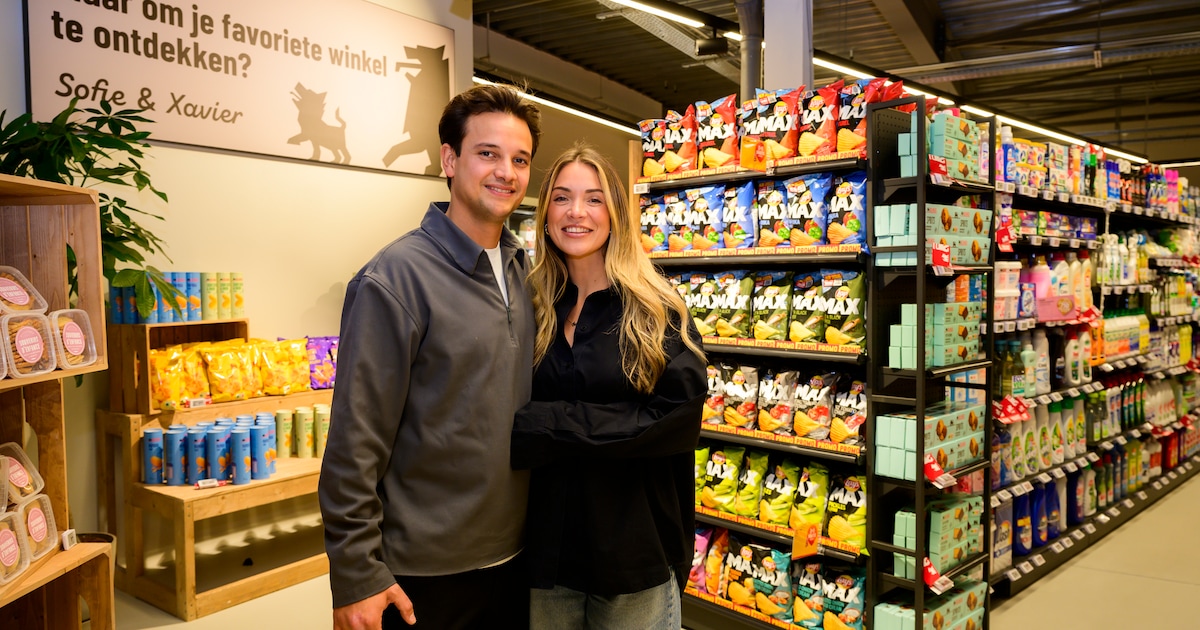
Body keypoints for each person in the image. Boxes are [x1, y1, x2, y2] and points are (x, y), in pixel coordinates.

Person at [318, 83, 542, 630]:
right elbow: (355, 439)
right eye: (487, 153)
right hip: (422, 577)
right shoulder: (394, 280)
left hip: (516, 562)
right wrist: (356, 573)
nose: (505, 172)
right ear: (449, 159)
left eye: (520, 159)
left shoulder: (525, 272)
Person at [510, 143, 707, 629]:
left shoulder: (656, 308)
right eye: (561, 198)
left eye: (594, 199)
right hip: (546, 554)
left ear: (616, 212)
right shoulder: (531, 306)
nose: (577, 212)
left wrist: (548, 424)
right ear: (545, 213)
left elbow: (674, 422)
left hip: (634, 554)